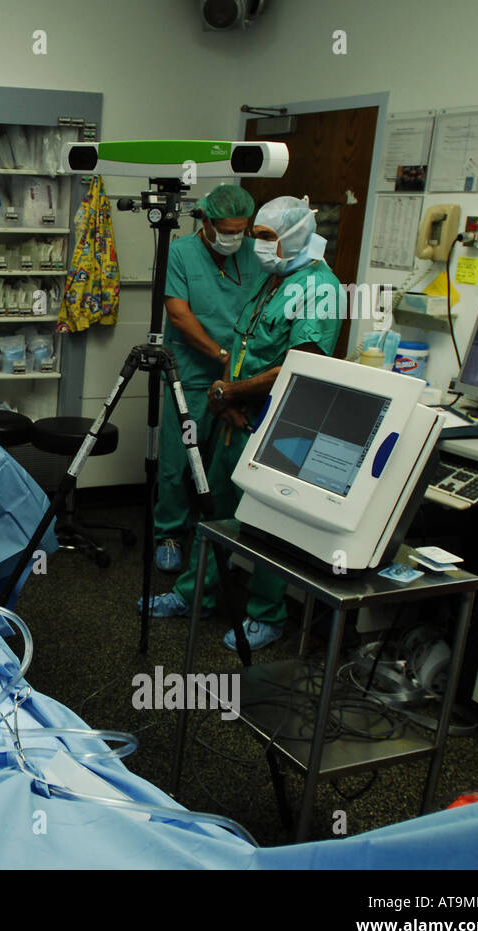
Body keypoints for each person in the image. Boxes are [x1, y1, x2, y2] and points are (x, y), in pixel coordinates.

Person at [141, 196, 344, 651]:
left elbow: (301, 364)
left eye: (267, 237)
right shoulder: (274, 280)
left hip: (280, 424)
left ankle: (266, 615)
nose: (258, 246)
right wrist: (226, 395)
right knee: (218, 516)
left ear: (294, 237)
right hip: (238, 415)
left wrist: (231, 392)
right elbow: (246, 343)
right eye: (258, 236)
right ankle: (194, 594)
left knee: (270, 523)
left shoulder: (320, 288)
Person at [154, 184, 258, 572]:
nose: (235, 238)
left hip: (243, 379)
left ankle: (212, 540)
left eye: (241, 230)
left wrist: (241, 371)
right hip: (194, 374)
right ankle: (168, 533)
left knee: (224, 462)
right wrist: (222, 356)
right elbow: (179, 314)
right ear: (206, 220)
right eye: (227, 230)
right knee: (179, 462)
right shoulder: (180, 253)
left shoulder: (253, 253)